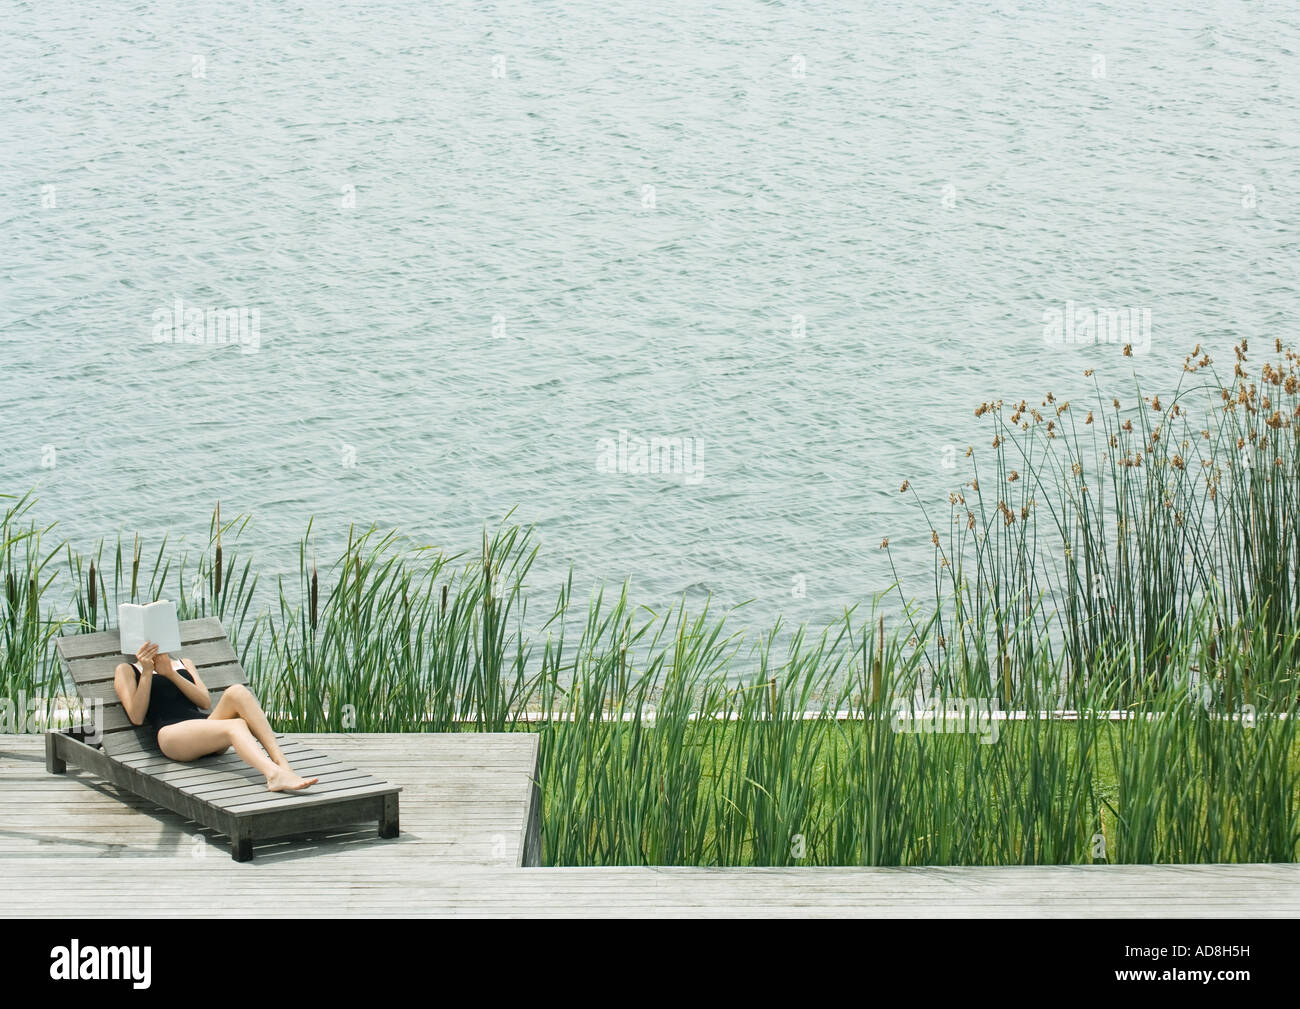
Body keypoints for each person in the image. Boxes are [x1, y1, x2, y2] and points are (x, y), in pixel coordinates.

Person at [114, 641, 317, 792]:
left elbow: (204, 702)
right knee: (235, 725)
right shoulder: (127, 670)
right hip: (172, 735)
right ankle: (273, 775)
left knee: (238, 691)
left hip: (203, 729)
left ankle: (283, 765)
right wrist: (148, 671)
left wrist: (171, 674)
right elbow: (137, 716)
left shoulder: (183, 663)